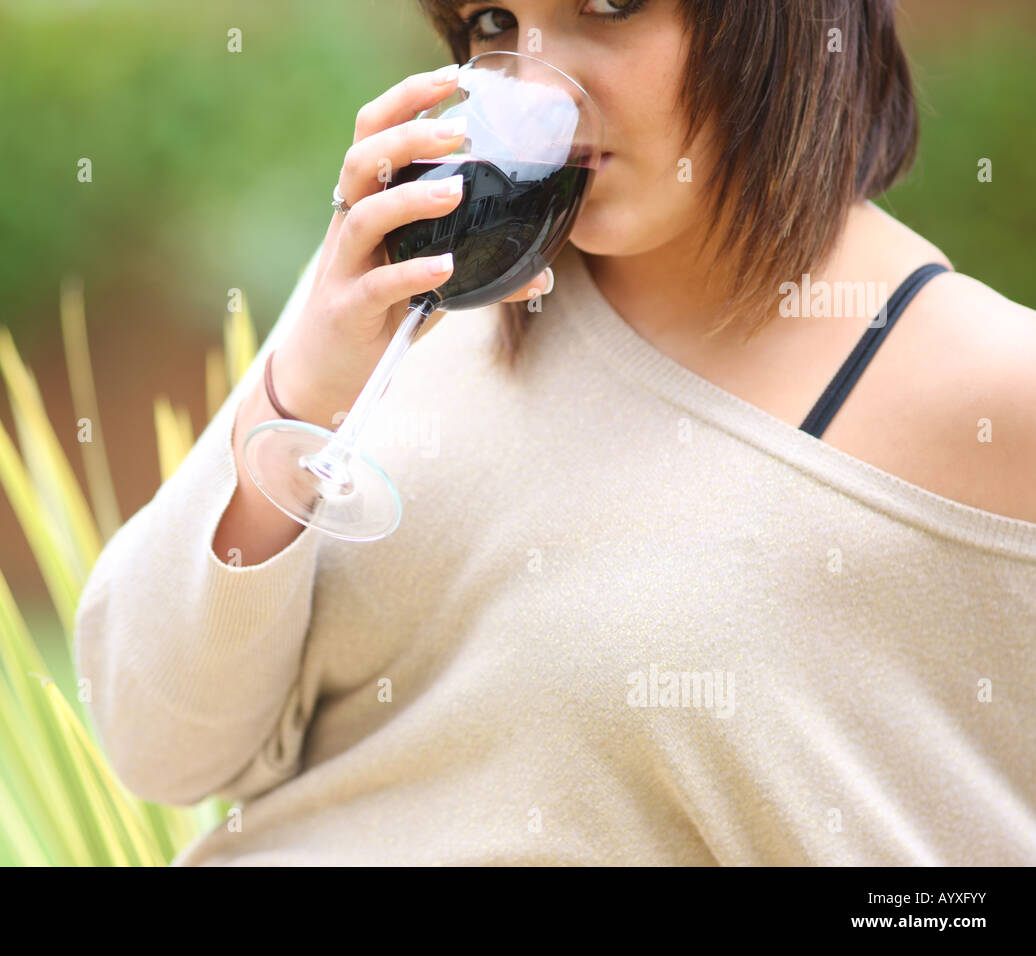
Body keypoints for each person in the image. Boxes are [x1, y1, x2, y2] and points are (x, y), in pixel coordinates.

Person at [74, 0, 1036, 865]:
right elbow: (157, 745)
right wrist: (299, 395)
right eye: (495, 22)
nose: (536, 83)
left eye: (609, 7)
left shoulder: (991, 393)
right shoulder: (424, 281)